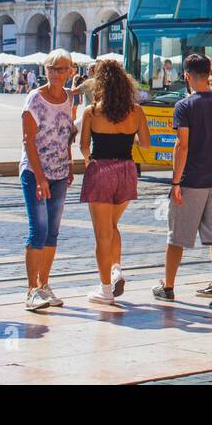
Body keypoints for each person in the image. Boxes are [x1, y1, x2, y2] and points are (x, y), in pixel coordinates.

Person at [153, 53, 212, 310]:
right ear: (208, 75)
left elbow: (182, 145)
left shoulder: (185, 107)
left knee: (177, 237)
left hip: (191, 181)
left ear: (188, 76)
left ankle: (167, 287)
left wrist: (176, 182)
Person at [79, 59, 150, 305]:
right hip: (127, 169)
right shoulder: (136, 110)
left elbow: (84, 146)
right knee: (112, 225)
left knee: (102, 234)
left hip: (101, 168)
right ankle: (116, 268)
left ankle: (105, 289)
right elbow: (146, 142)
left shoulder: (92, 112)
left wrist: (89, 161)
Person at [19, 48, 76, 312]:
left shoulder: (68, 98)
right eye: (51, 68)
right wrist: (40, 177)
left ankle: (44, 284)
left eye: (61, 69)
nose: (55, 73)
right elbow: (28, 140)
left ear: (71, 72)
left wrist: (69, 163)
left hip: (60, 173)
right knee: (38, 231)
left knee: (53, 233)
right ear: (45, 70)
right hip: (35, 173)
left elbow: (65, 134)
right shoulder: (35, 99)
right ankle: (31, 290)